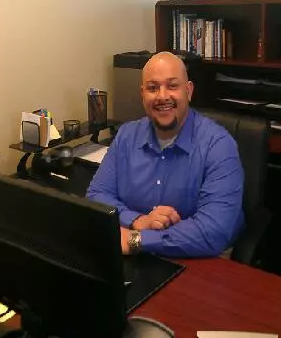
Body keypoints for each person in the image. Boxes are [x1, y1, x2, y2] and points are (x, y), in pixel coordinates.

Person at [87, 51, 245, 258]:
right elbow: (96, 196)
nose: (162, 96)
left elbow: (213, 231)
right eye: (153, 88)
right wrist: (138, 221)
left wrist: (137, 240)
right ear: (143, 94)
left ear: (188, 91)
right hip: (140, 252)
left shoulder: (219, 146)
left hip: (202, 258)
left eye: (172, 86)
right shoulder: (126, 136)